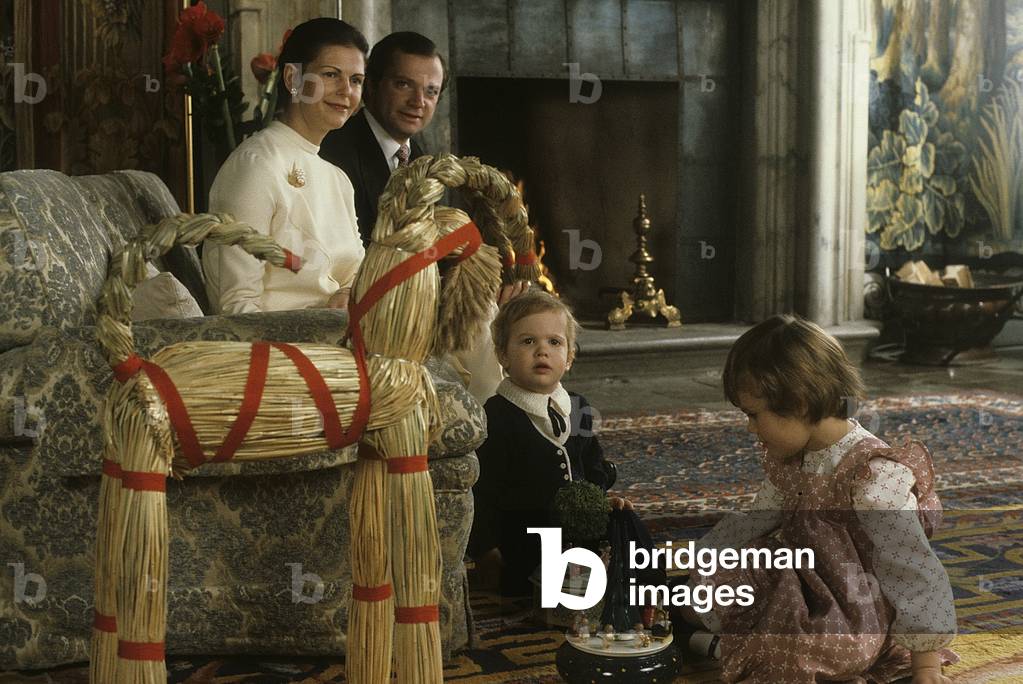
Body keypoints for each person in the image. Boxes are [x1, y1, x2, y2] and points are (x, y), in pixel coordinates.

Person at [672, 315, 957, 683]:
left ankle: (712, 646)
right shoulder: (791, 457)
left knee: (805, 650)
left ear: (800, 403)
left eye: (754, 415)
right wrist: (702, 562)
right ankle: (706, 630)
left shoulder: (874, 476)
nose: (750, 428)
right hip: (796, 578)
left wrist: (926, 667)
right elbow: (754, 518)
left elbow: (913, 568)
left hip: (855, 606)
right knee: (714, 587)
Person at [468, 290, 640, 597]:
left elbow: (592, 467)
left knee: (628, 527)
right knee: (534, 585)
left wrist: (603, 501)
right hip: (526, 537)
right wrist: (485, 552)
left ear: (570, 357)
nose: (542, 352)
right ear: (503, 355)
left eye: (554, 342)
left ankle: (642, 592)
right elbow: (482, 493)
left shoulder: (577, 406)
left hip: (578, 533)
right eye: (528, 341)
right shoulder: (496, 415)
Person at [202, 18, 368, 314]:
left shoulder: (338, 179)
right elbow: (236, 308)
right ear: (293, 79)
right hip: (282, 351)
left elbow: (356, 275)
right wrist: (321, 325)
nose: (347, 91)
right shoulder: (255, 165)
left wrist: (347, 293)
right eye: (332, 75)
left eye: (356, 80)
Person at [319, 31, 446, 244]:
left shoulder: (424, 160)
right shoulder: (333, 151)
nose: (418, 102)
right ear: (371, 85)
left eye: (431, 91)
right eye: (403, 84)